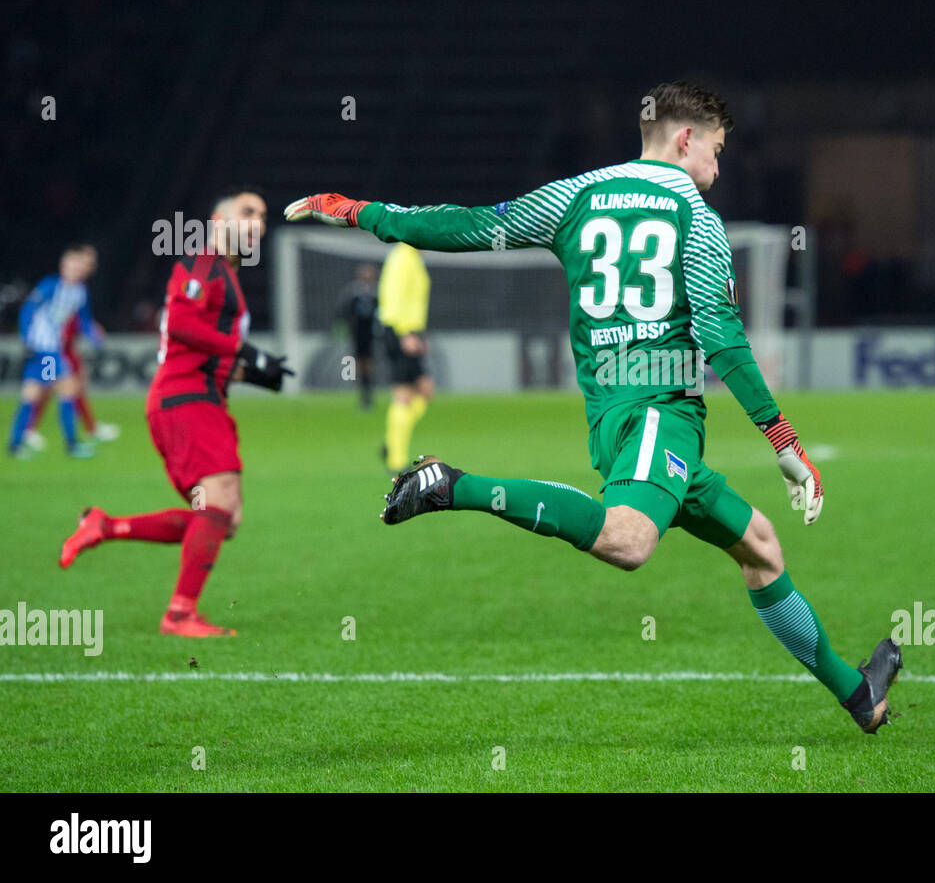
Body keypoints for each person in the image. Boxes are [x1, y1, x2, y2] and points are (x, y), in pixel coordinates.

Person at [286, 81, 901, 733]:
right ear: (685, 138)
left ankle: (858, 694)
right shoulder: (694, 217)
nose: (717, 171)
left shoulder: (573, 194)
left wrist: (359, 212)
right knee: (630, 540)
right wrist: (784, 441)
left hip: (612, 412)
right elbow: (720, 337)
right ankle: (453, 486)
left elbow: (470, 226)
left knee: (760, 547)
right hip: (660, 411)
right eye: (716, 152)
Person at [59, 188, 294, 637]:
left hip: (200, 396)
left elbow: (207, 349)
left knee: (223, 518)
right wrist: (245, 350)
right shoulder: (202, 262)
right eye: (248, 212)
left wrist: (251, 373)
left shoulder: (225, 274)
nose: (258, 221)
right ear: (220, 221)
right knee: (221, 502)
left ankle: (106, 525)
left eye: (263, 216)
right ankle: (180, 613)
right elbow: (185, 326)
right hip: (184, 398)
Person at [7, 244, 100, 458]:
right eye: (72, 264)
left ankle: (15, 444)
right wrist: (26, 338)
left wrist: (93, 335)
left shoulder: (80, 292)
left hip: (49, 350)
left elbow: (83, 319)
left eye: (79, 266)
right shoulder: (50, 285)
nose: (76, 269)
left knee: (33, 393)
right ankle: (72, 445)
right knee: (67, 389)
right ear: (63, 264)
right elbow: (28, 309)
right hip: (44, 350)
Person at [377, 243, 434, 472]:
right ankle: (395, 459)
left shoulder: (411, 257)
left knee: (424, 391)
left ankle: (392, 444)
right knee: (405, 393)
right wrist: (406, 334)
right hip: (399, 331)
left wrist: (418, 334)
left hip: (408, 331)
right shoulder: (403, 257)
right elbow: (395, 297)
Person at [336, 262, 379, 410]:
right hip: (357, 333)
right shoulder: (353, 292)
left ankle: (369, 393)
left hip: (373, 334)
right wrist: (343, 327)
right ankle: (363, 394)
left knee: (370, 363)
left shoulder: (378, 292)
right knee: (359, 363)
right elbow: (343, 311)